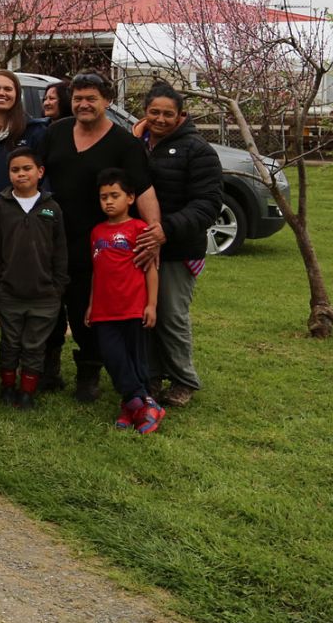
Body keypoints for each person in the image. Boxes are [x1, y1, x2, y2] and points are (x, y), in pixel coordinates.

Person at [38, 72, 160, 403]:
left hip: (98, 242)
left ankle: (88, 372)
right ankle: (47, 370)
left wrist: (155, 231)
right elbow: (37, 175)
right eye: (78, 98)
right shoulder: (57, 132)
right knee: (50, 307)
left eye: (91, 98)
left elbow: (143, 188)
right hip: (54, 237)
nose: (84, 104)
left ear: (107, 101)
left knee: (84, 311)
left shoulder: (124, 143)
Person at [136, 83, 221, 409]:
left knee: (171, 315)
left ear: (181, 115)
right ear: (145, 111)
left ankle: (184, 379)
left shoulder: (197, 150)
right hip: (141, 247)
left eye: (167, 114)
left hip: (176, 248)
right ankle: (153, 374)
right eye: (154, 112)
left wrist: (165, 230)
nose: (159, 119)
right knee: (145, 315)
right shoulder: (138, 144)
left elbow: (208, 205)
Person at [0, 147, 68, 410]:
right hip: (8, 292)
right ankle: (7, 387)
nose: (21, 174)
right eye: (15, 170)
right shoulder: (0, 206)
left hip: (44, 295)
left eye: (26, 169)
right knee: (10, 343)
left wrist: (57, 287)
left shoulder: (52, 208)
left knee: (34, 346)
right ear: (8, 174)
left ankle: (27, 392)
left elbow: (60, 251)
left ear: (40, 172)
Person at [88, 169, 164, 434]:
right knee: (112, 358)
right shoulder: (96, 231)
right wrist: (90, 304)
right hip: (103, 310)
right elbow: (97, 272)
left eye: (115, 196)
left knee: (135, 361)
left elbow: (151, 269)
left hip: (133, 308)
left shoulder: (140, 229)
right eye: (103, 197)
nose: (108, 202)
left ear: (130, 197)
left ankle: (131, 407)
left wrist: (151, 305)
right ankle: (144, 406)